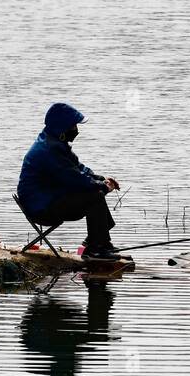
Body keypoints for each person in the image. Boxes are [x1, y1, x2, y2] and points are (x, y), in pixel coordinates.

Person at [17, 102, 126, 260]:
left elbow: (78, 168)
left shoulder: (54, 143)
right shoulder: (49, 150)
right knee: (95, 195)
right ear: (62, 129)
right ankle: (96, 249)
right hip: (40, 208)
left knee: (95, 191)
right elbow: (75, 179)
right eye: (73, 126)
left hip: (49, 199)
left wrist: (101, 179)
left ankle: (99, 242)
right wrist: (102, 187)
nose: (76, 130)